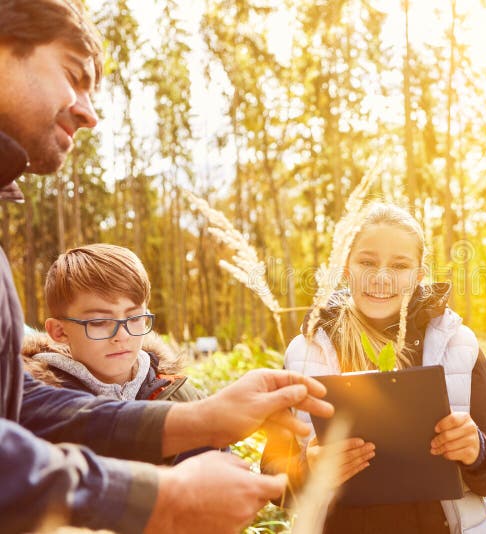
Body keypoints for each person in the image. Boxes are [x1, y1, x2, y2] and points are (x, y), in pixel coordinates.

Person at [0, 1, 334, 532]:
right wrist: (160, 496)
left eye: (134, 317)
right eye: (72, 75)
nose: (89, 112)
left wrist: (201, 418)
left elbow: (15, 410)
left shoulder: (176, 388)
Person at [262, 202, 486, 533]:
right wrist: (308, 468)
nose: (381, 278)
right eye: (367, 261)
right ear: (345, 267)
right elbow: (272, 478)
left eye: (399, 266)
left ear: (419, 275)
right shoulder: (304, 353)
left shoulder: (458, 346)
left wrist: (477, 450)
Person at [21, 244, 220, 462]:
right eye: (99, 322)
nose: (122, 335)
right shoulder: (42, 410)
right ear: (59, 331)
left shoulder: (181, 394)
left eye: (134, 318)